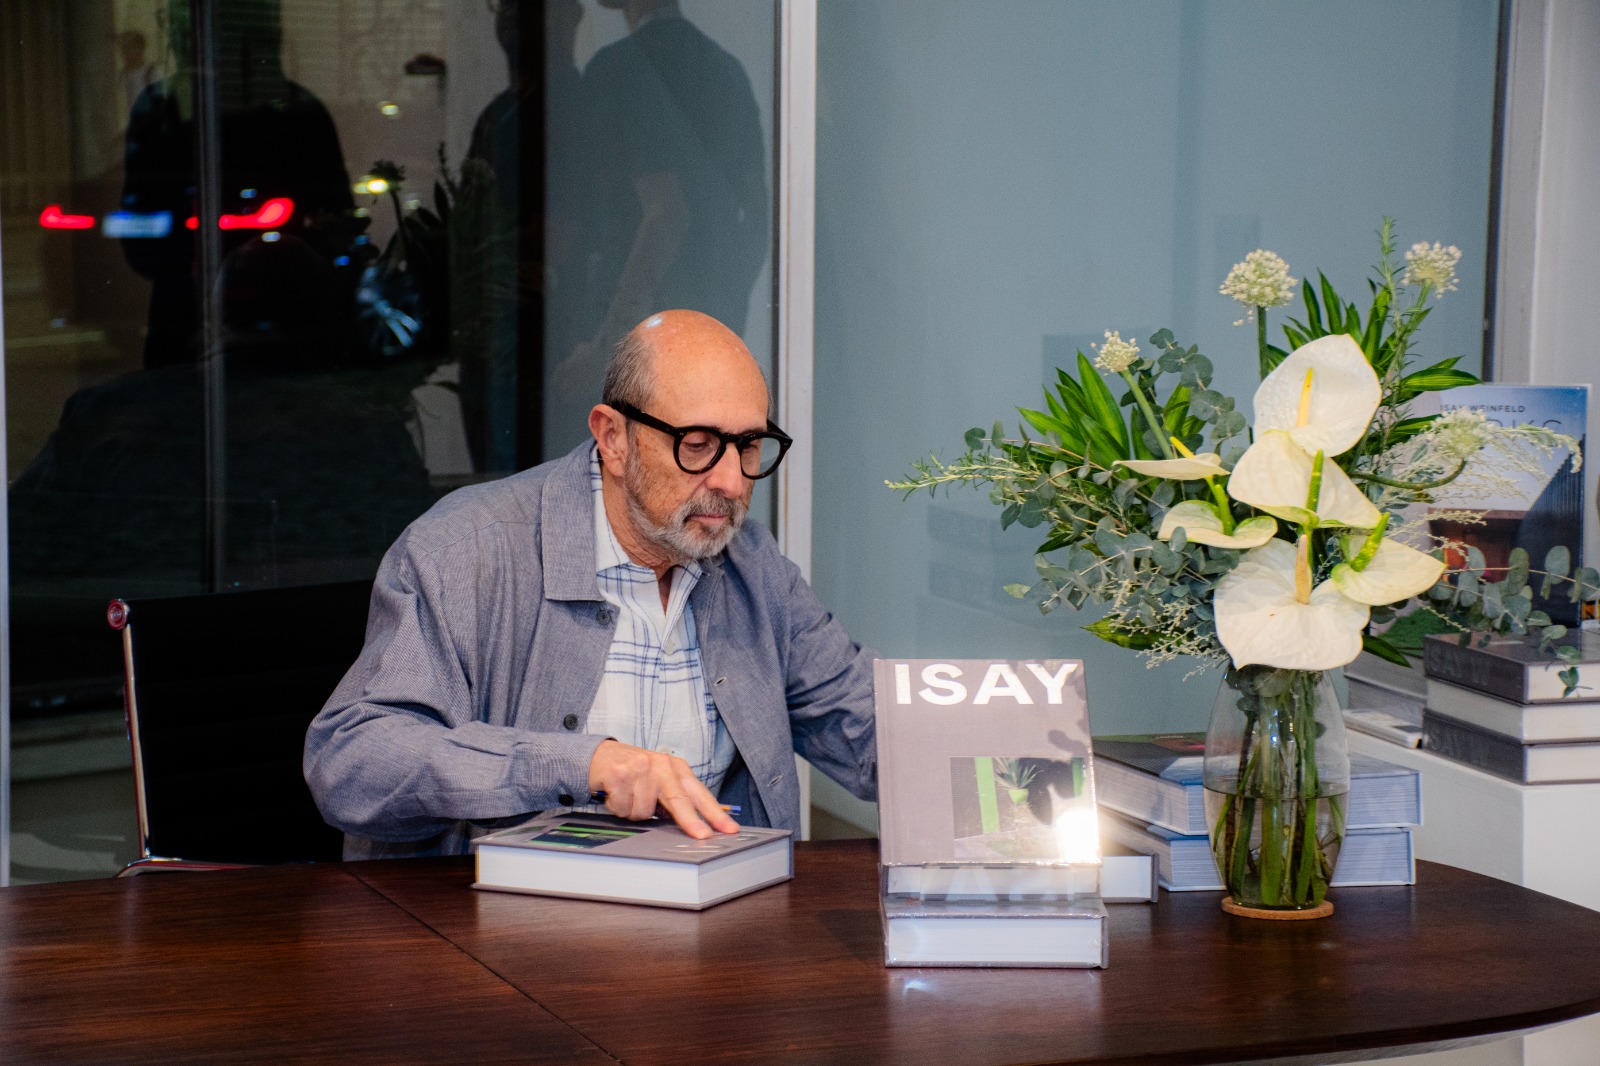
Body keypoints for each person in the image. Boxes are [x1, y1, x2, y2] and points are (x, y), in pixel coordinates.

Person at [304, 309, 877, 859]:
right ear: (614, 438)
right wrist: (582, 765)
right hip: (502, 937)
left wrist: (956, 725)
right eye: (698, 445)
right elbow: (352, 760)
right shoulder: (466, 552)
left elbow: (862, 724)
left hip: (714, 930)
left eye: (748, 446)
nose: (730, 481)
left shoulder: (752, 565)